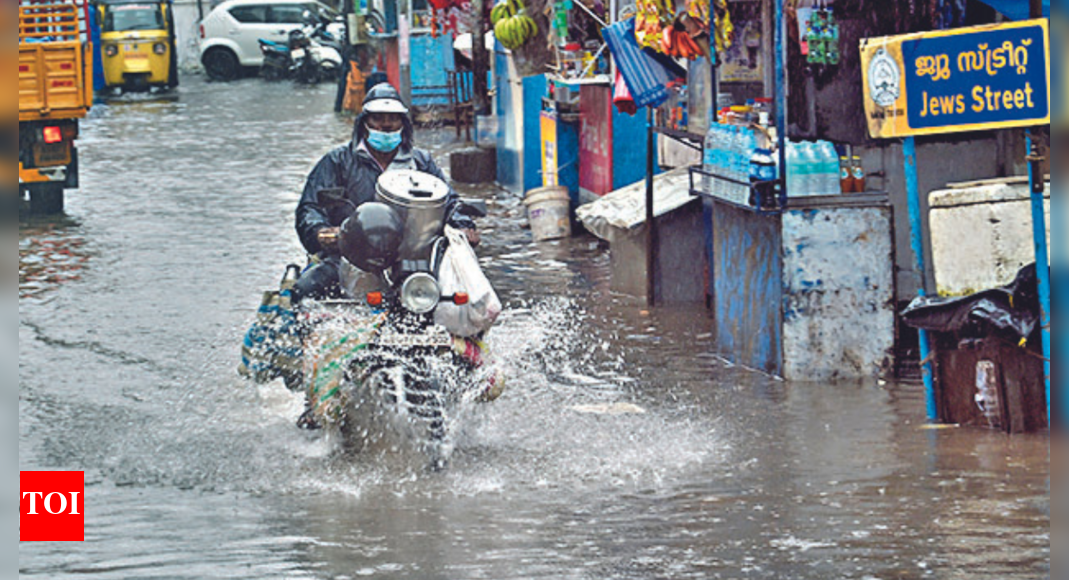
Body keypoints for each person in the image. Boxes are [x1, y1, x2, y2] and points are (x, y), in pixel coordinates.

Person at [294, 83, 479, 301]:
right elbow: (310, 207)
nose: (386, 125)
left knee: (463, 296)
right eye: (378, 118)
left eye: (393, 118)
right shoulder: (337, 161)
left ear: (403, 123)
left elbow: (448, 200)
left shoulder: (420, 162)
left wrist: (463, 224)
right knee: (306, 289)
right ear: (365, 123)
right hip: (350, 255)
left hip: (413, 258)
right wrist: (320, 231)